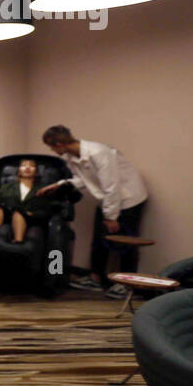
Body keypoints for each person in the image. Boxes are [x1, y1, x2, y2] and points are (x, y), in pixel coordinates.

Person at [36, 125, 149, 297]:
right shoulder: (71, 156)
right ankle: (95, 278)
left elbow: (112, 186)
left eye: (51, 146)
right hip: (107, 197)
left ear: (59, 144)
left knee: (126, 242)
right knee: (100, 238)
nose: (51, 150)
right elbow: (83, 179)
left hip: (129, 198)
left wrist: (111, 217)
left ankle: (127, 284)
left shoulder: (99, 153)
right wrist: (59, 184)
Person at [0, 158, 57, 244]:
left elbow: (47, 207)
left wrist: (33, 213)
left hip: (32, 217)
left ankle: (18, 241)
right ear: (19, 171)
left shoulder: (42, 189)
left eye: (31, 166)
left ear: (36, 172)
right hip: (8, 215)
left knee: (19, 213)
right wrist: (4, 205)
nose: (27, 168)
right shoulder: (7, 187)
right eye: (24, 166)